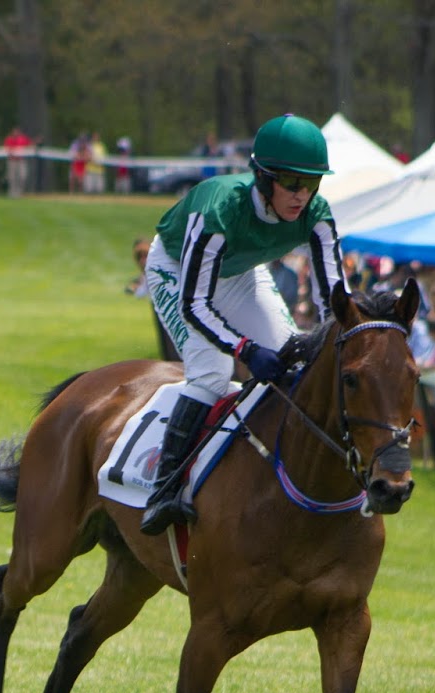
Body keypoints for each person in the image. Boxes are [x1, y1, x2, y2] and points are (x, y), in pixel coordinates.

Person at [139, 113, 347, 535]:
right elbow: (194, 303)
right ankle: (163, 490)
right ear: (263, 177)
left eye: (313, 183)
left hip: (239, 274)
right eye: (291, 182)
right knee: (214, 373)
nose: (302, 195)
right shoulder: (221, 209)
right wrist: (246, 351)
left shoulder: (318, 214)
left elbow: (335, 303)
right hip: (177, 270)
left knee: (293, 358)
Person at [3, 126, 32, 198]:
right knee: (12, 177)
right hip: (12, 161)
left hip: (21, 160)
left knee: (22, 176)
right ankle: (12, 193)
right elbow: (6, 148)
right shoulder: (9, 139)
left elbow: (29, 146)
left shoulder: (23, 139)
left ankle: (20, 192)